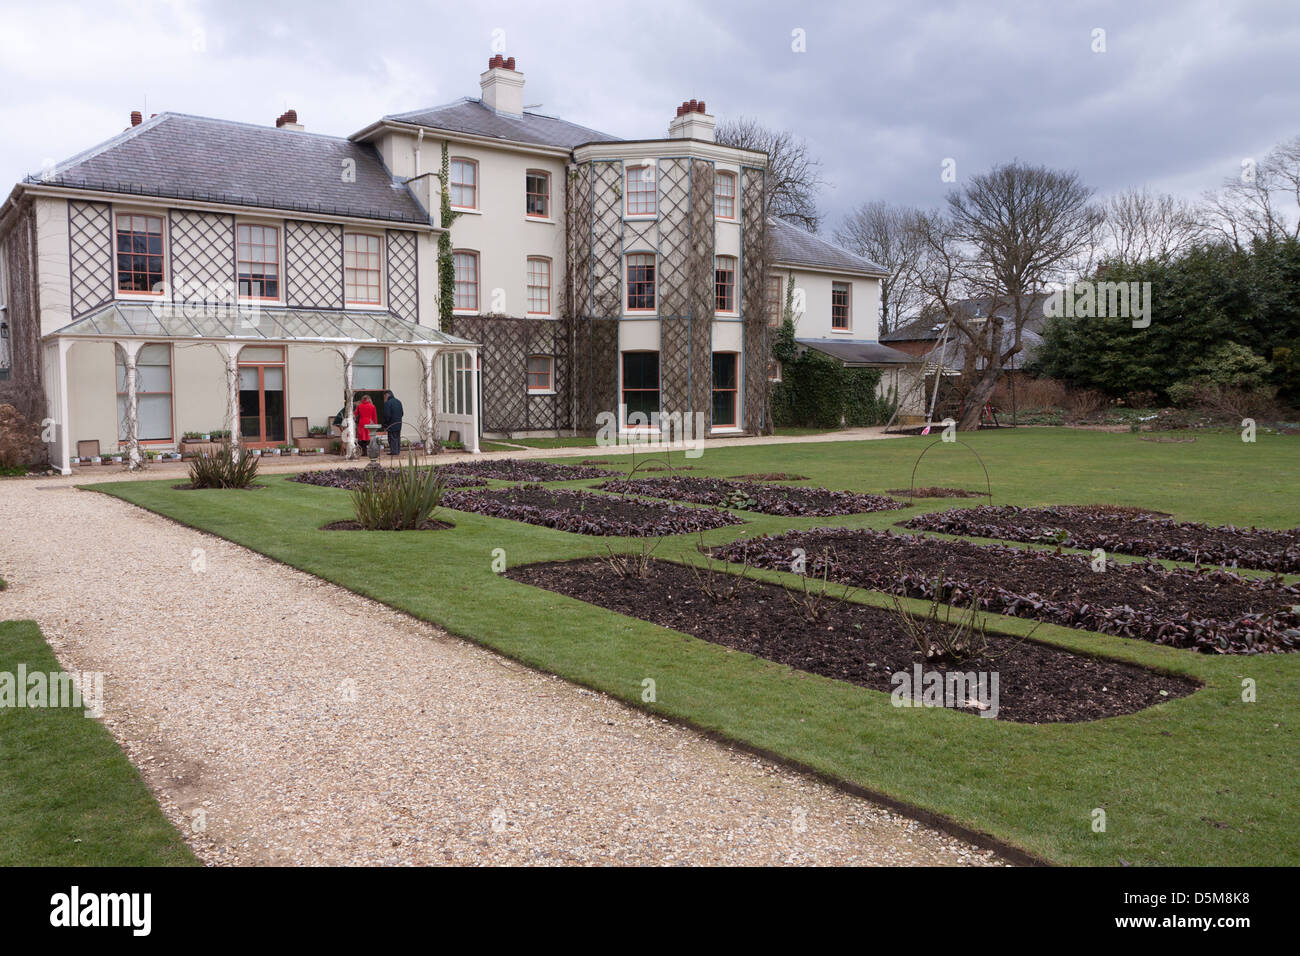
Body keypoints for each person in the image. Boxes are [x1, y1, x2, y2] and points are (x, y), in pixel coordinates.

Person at [382, 390, 404, 456]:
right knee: (397, 438)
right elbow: (402, 413)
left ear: (387, 395)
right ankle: (397, 451)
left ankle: (394, 452)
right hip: (399, 423)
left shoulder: (388, 403)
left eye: (384, 397)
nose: (384, 399)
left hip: (391, 424)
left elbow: (387, 415)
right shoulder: (398, 402)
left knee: (392, 438)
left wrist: (385, 424)